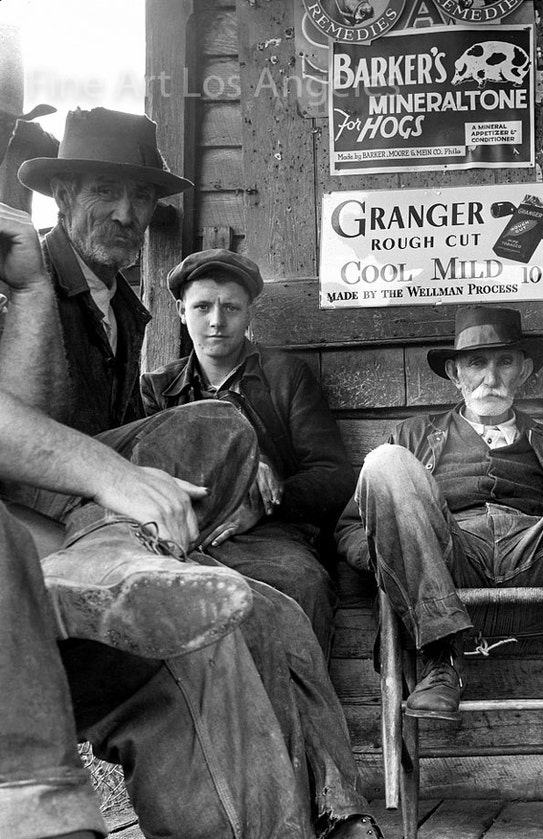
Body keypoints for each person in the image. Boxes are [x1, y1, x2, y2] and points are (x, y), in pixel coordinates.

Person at [3, 107, 381, 838]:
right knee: (218, 425)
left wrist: (242, 500)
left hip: (151, 541)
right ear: (62, 195)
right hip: (35, 540)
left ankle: (337, 814)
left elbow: (331, 473)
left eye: (141, 198)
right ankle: (105, 553)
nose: (126, 213)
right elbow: (25, 434)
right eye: (105, 193)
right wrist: (30, 294)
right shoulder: (23, 273)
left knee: (264, 611)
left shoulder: (133, 312)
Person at [337, 305, 543, 720]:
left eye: (504, 362)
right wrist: (403, 556)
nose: (490, 378)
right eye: (476, 363)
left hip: (539, 562)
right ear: (455, 373)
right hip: (449, 563)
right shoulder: (412, 436)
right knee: (386, 461)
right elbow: (353, 528)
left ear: (524, 371)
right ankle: (442, 659)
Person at [142, 249, 354, 656]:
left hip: (275, 537)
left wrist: (265, 504)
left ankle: (299, 715)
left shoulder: (285, 377)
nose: (217, 321)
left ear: (249, 313)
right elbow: (146, 471)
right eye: (202, 306)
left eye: (231, 308)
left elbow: (333, 474)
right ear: (182, 312)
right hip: (188, 531)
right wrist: (241, 461)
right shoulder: (158, 389)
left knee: (302, 583)